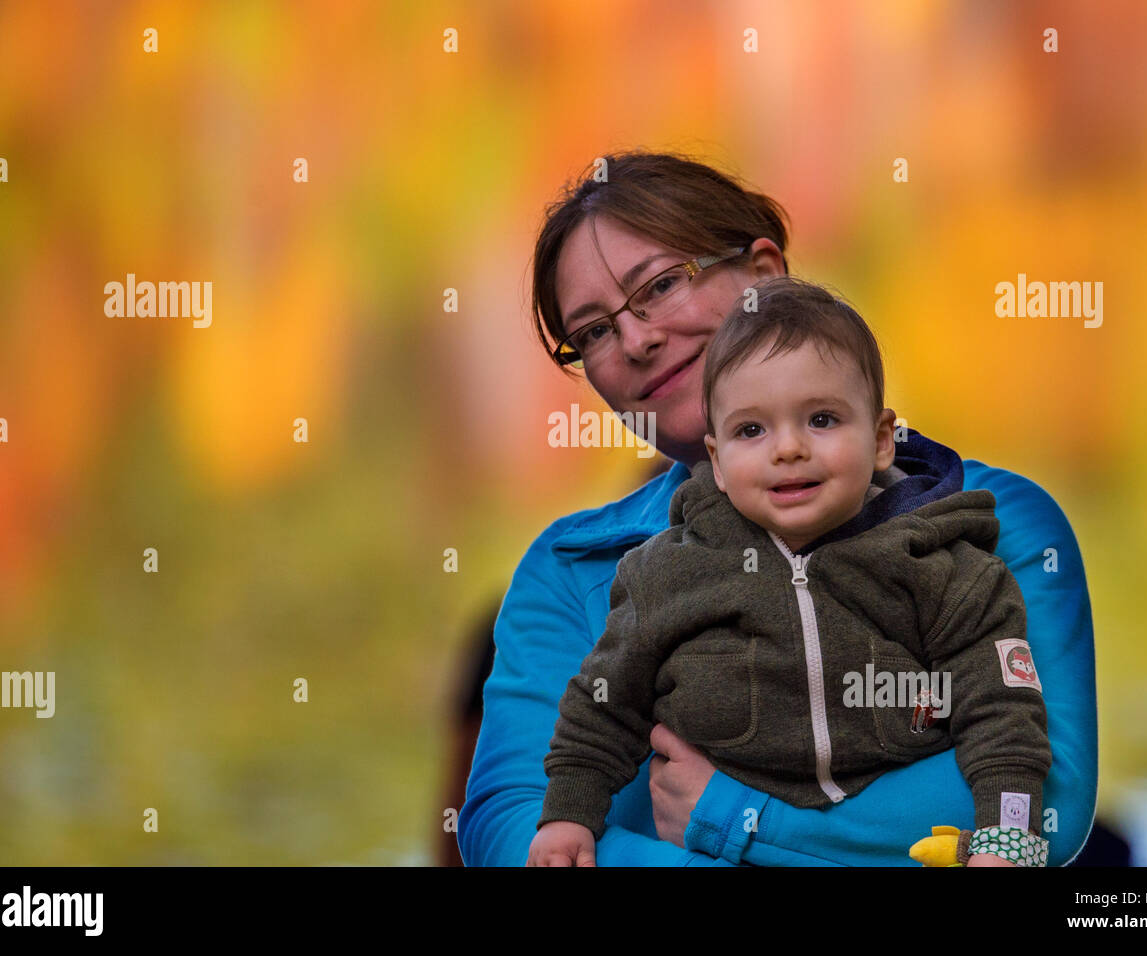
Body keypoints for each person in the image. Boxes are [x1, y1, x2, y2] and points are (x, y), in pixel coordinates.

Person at [458, 151, 1097, 866]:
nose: (637, 340)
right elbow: (515, 835)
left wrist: (737, 820)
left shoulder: (990, 526)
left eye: (662, 285)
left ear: (765, 273)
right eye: (596, 332)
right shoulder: (569, 569)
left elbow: (1044, 807)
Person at [527, 278, 1051, 868]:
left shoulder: (946, 570)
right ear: (717, 461)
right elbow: (603, 707)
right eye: (752, 430)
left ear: (881, 440)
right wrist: (567, 815)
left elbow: (1005, 713)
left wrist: (1007, 841)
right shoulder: (668, 576)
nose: (789, 449)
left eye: (822, 419)